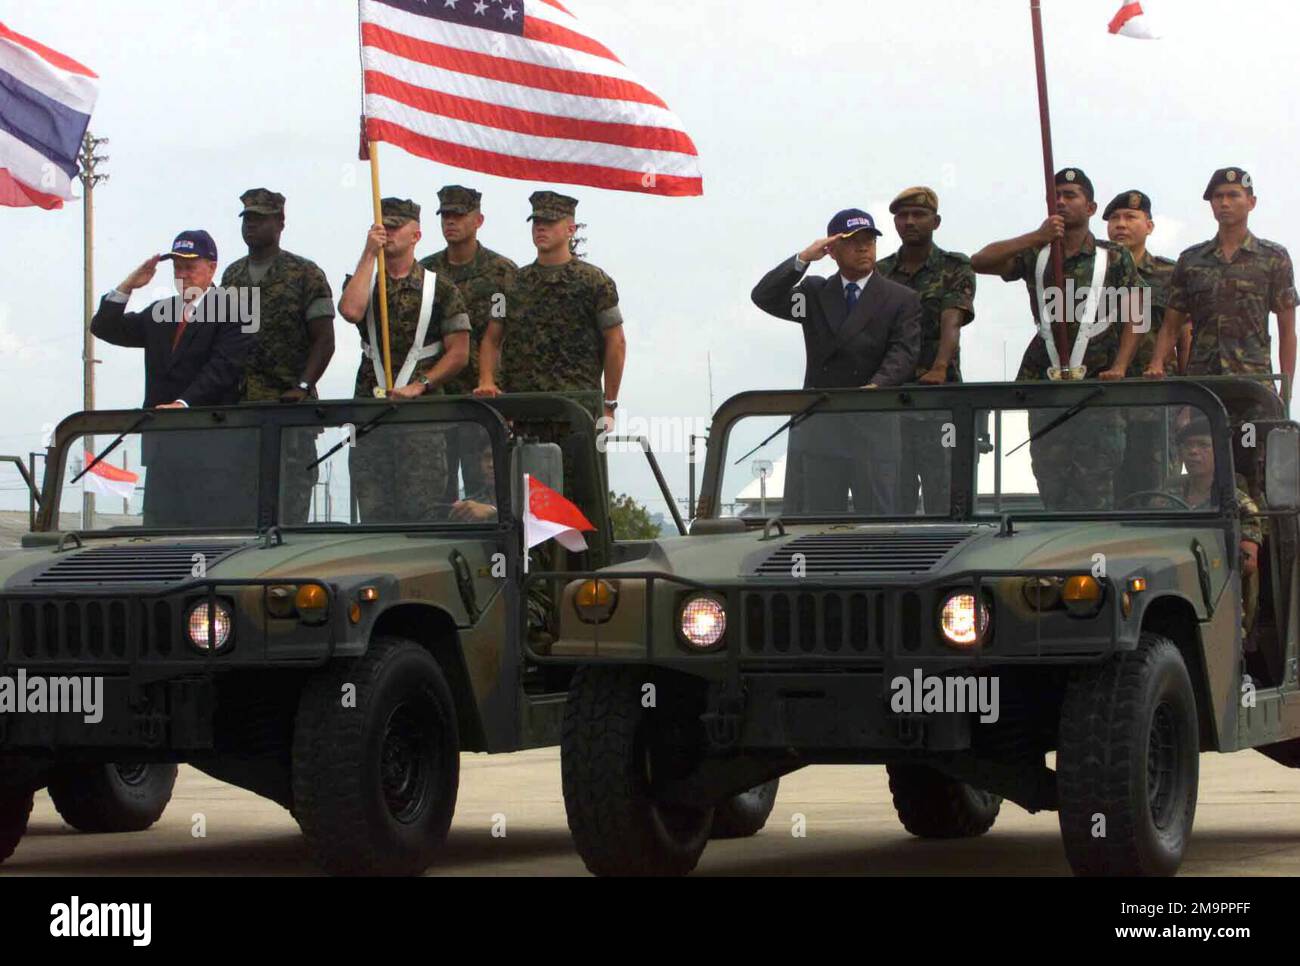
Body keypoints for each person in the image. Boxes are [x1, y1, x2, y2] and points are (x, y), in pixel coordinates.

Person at [970, 168, 1145, 510]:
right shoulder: (1038, 252)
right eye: (1056, 196)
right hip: (1048, 388)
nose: (1062, 202)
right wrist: (1035, 237)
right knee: (1052, 486)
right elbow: (980, 261)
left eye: (1070, 195)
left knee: (1097, 488)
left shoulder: (1113, 256)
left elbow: (1137, 313)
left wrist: (1122, 365)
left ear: (1091, 207)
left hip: (1097, 388)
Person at [751, 208, 921, 515]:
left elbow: (904, 353)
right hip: (822, 428)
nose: (863, 247)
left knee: (878, 527)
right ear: (833, 250)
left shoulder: (900, 298)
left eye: (869, 240)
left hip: (873, 426)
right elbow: (764, 297)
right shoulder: (815, 294)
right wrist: (803, 258)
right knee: (819, 524)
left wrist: (876, 386)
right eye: (854, 241)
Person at [91, 230, 255, 526]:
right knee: (159, 530)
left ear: (212, 267)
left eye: (190, 267)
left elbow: (224, 368)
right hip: (163, 448)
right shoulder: (160, 313)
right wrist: (129, 286)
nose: (183, 275)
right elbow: (104, 327)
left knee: (209, 530)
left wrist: (184, 403)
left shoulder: (234, 311)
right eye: (177, 267)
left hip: (211, 446)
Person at [338, 198, 471, 524]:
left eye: (396, 227)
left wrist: (421, 384)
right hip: (371, 417)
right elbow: (350, 311)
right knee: (373, 513)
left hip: (421, 422)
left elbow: (459, 353)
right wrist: (369, 254)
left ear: (416, 235)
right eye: (383, 226)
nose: (388, 233)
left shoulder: (440, 288)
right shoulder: (365, 280)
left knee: (423, 513)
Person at [1140, 167, 1297, 422]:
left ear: (1251, 202)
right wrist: (1156, 362)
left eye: (1233, 195)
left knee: (1253, 457)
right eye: (1217, 197)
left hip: (1254, 385)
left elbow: (1287, 331)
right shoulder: (1191, 260)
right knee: (1203, 457)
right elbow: (1171, 325)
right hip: (1203, 387)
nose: (1224, 203)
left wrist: (1285, 391)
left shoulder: (1274, 258)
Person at [222, 188, 336, 524]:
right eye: (247, 219)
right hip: (241, 411)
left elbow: (325, 340)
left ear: (280, 222)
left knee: (289, 508)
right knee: (241, 509)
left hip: (289, 412)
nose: (251, 226)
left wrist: (303, 384)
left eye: (260, 219)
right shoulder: (232, 276)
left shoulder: (305, 274)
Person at [474, 191, 625, 425]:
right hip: (524, 410)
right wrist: (486, 381)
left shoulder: (595, 282)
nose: (540, 228)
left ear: (570, 229)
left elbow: (616, 342)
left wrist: (609, 404)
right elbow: (491, 339)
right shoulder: (508, 284)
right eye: (536, 222)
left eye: (550, 222)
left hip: (578, 410)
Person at [876, 187, 976, 515]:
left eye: (918, 215)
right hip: (893, 404)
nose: (909, 222)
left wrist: (940, 366)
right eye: (902, 216)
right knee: (894, 500)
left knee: (946, 498)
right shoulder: (880, 272)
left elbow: (952, 319)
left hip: (940, 403)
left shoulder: (954, 266)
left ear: (936, 221)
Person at [419, 185, 518, 507]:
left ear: (478, 220)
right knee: (436, 494)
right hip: (438, 398)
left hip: (485, 400)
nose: (451, 222)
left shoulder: (502, 272)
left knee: (485, 492)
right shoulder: (426, 272)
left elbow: (509, 335)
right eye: (446, 215)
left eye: (459, 215)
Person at [1096, 190, 1180, 498]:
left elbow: (1183, 332)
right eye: (1114, 218)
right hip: (1102, 397)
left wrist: (1186, 398)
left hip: (1154, 398)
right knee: (1103, 489)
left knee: (1156, 490)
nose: (1121, 225)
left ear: (1149, 226)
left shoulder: (1169, 273)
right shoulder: (1093, 271)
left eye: (1130, 217)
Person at [1159, 416, 1261, 632]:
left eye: (1203, 445)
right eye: (1188, 445)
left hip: (1218, 601)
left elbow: (1248, 563)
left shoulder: (1239, 504)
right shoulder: (1165, 498)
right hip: (1164, 593)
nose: (1193, 452)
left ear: (1219, 453)